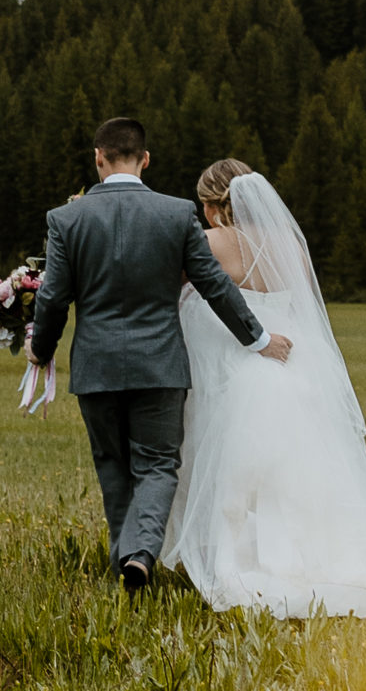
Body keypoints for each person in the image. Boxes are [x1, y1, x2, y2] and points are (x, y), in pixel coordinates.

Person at [28, 115, 293, 594]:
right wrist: (258, 339)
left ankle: (128, 558)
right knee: (156, 465)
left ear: (98, 158)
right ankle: (141, 554)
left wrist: (38, 350)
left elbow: (52, 298)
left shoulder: (65, 219)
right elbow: (214, 286)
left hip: (96, 367)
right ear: (145, 159)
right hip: (161, 366)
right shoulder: (176, 214)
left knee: (113, 464)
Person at [160, 158, 366, 616]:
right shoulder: (291, 244)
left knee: (232, 468)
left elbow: (171, 294)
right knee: (302, 470)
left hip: (238, 366)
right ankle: (325, 558)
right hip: (299, 367)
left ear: (211, 207)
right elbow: (300, 305)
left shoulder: (208, 242)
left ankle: (241, 559)